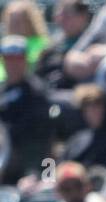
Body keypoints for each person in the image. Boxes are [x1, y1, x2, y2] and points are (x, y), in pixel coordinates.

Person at [0, 33, 51, 183]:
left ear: (25, 60)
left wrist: (34, 173)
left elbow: (42, 139)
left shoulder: (36, 92)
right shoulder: (3, 90)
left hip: (25, 165)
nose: (13, 64)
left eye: (18, 58)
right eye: (9, 59)